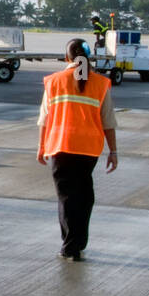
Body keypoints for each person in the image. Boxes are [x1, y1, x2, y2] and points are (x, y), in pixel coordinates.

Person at [37, 39, 119, 260]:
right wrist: (113, 151)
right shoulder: (100, 83)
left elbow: (44, 119)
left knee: (66, 197)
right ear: (88, 57)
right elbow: (108, 121)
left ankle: (70, 245)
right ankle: (78, 242)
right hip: (88, 149)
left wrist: (41, 146)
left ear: (67, 57)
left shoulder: (54, 81)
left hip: (60, 146)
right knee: (83, 196)